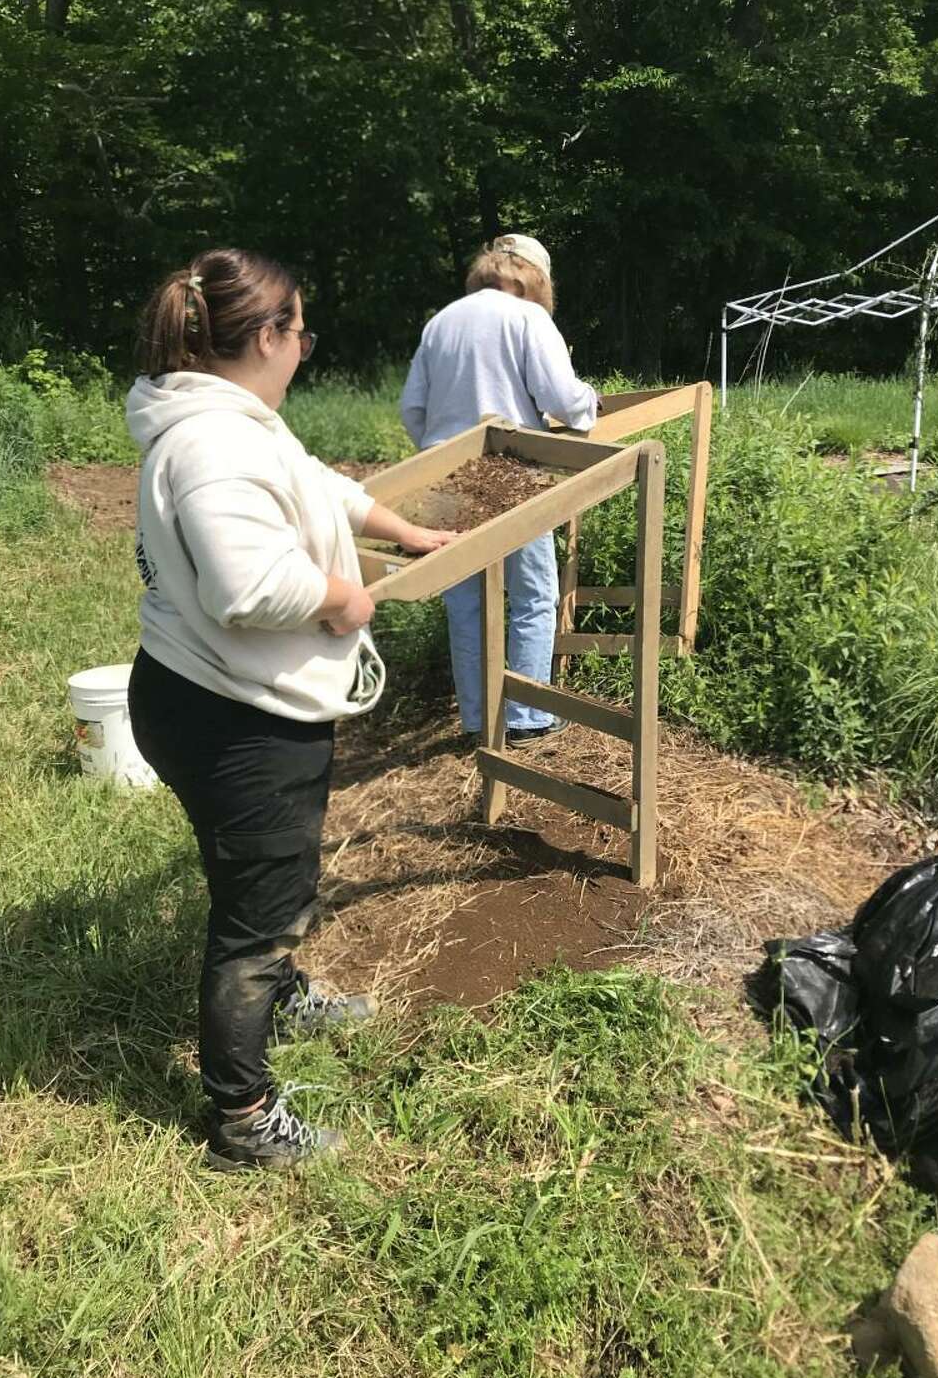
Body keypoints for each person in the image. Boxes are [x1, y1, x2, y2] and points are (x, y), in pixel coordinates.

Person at [125, 247, 453, 1170]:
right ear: (266, 336)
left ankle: (280, 996)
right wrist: (346, 600)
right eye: (301, 332)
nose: (306, 348)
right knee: (258, 919)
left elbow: (316, 483)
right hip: (234, 717)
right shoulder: (214, 445)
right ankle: (243, 1118)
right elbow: (251, 586)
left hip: (201, 693)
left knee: (252, 883)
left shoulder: (234, 421)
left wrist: (402, 529)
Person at [399, 234, 599, 745]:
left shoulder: (441, 322)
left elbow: (412, 409)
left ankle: (477, 720)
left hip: (448, 474)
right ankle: (526, 717)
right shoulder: (528, 317)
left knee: (466, 601)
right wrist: (588, 404)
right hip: (511, 471)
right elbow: (562, 397)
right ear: (536, 279)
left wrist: (437, 450)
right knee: (533, 593)